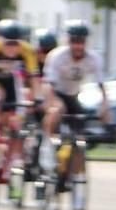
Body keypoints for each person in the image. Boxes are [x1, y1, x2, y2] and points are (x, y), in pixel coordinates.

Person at [38, 20, 107, 172]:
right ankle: (47, 146)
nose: (78, 45)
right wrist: (50, 103)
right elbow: (48, 84)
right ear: (67, 40)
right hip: (54, 92)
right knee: (57, 109)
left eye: (81, 41)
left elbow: (101, 85)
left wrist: (104, 107)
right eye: (73, 41)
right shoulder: (57, 56)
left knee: (79, 138)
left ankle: (76, 182)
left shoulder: (94, 58)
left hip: (73, 95)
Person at [0, 19, 40, 165]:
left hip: (10, 78)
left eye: (15, 44)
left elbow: (34, 77)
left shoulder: (27, 50)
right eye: (8, 44)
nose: (12, 49)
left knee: (16, 113)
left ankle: (10, 160)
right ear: (0, 40)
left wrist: (37, 97)